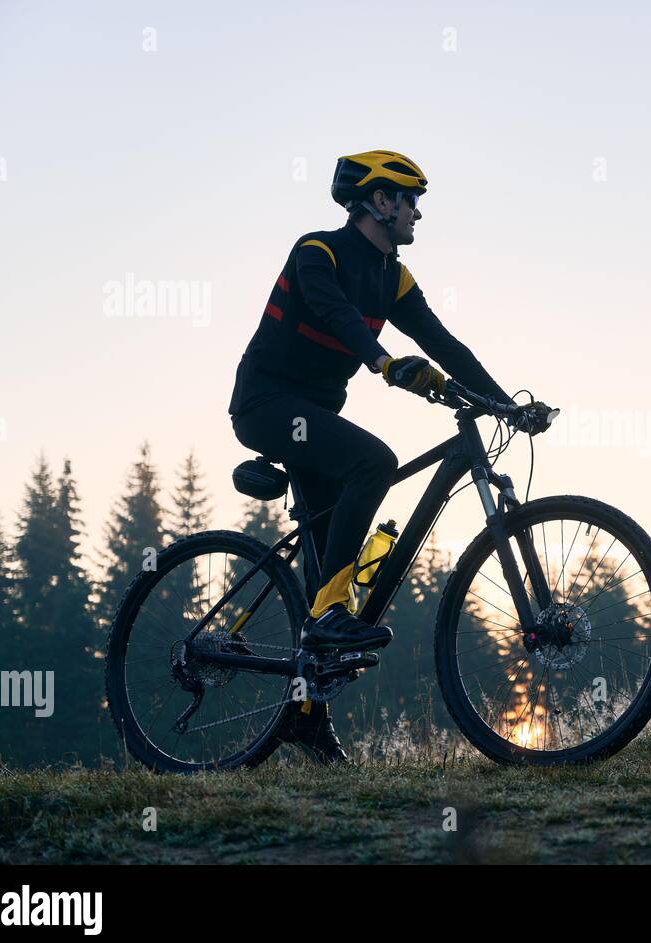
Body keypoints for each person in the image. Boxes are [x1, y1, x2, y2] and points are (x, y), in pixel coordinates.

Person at [227, 149, 549, 762]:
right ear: (380, 201)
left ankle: (306, 718)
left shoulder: (392, 277)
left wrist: (506, 405)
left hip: (316, 418)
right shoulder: (316, 252)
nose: (418, 215)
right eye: (412, 202)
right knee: (373, 462)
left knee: (327, 552)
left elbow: (441, 341)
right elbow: (334, 314)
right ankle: (326, 614)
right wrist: (384, 363)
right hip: (267, 405)